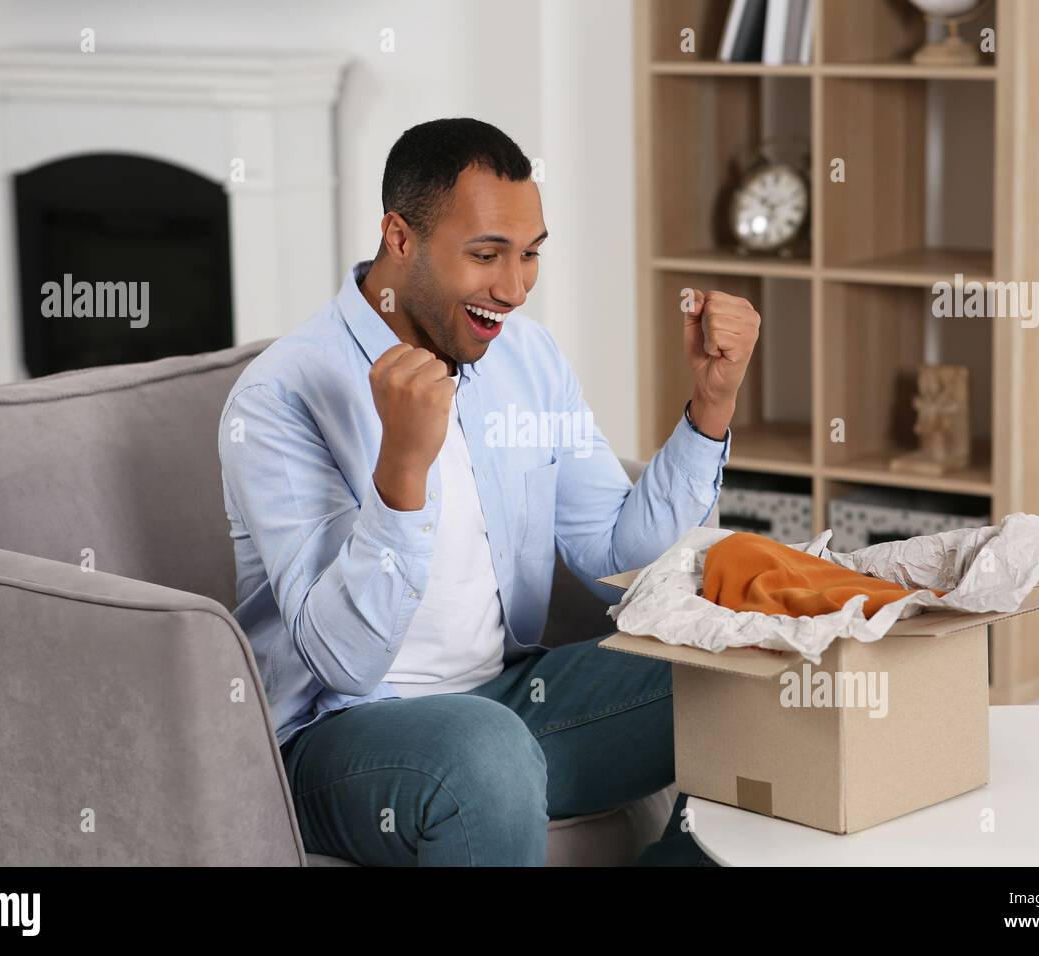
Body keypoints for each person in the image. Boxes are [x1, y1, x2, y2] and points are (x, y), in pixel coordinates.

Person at [217, 117, 761, 866]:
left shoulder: (527, 358)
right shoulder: (281, 396)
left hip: (508, 698)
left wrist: (710, 409)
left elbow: (617, 552)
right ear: (400, 239)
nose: (513, 289)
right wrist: (402, 476)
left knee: (746, 657)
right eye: (485, 255)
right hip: (339, 738)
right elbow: (341, 660)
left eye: (530, 255)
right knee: (484, 751)